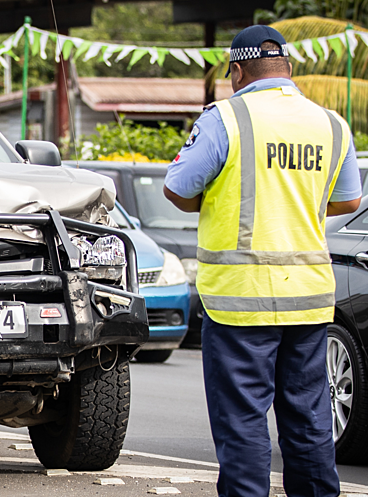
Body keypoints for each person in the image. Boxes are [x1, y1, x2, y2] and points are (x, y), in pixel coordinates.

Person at [164, 25, 361, 497]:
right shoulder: (331, 124)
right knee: (310, 419)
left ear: (237, 71)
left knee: (243, 422)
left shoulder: (224, 119)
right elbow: (349, 201)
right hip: (310, 300)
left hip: (239, 303)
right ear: (287, 67)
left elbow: (178, 188)